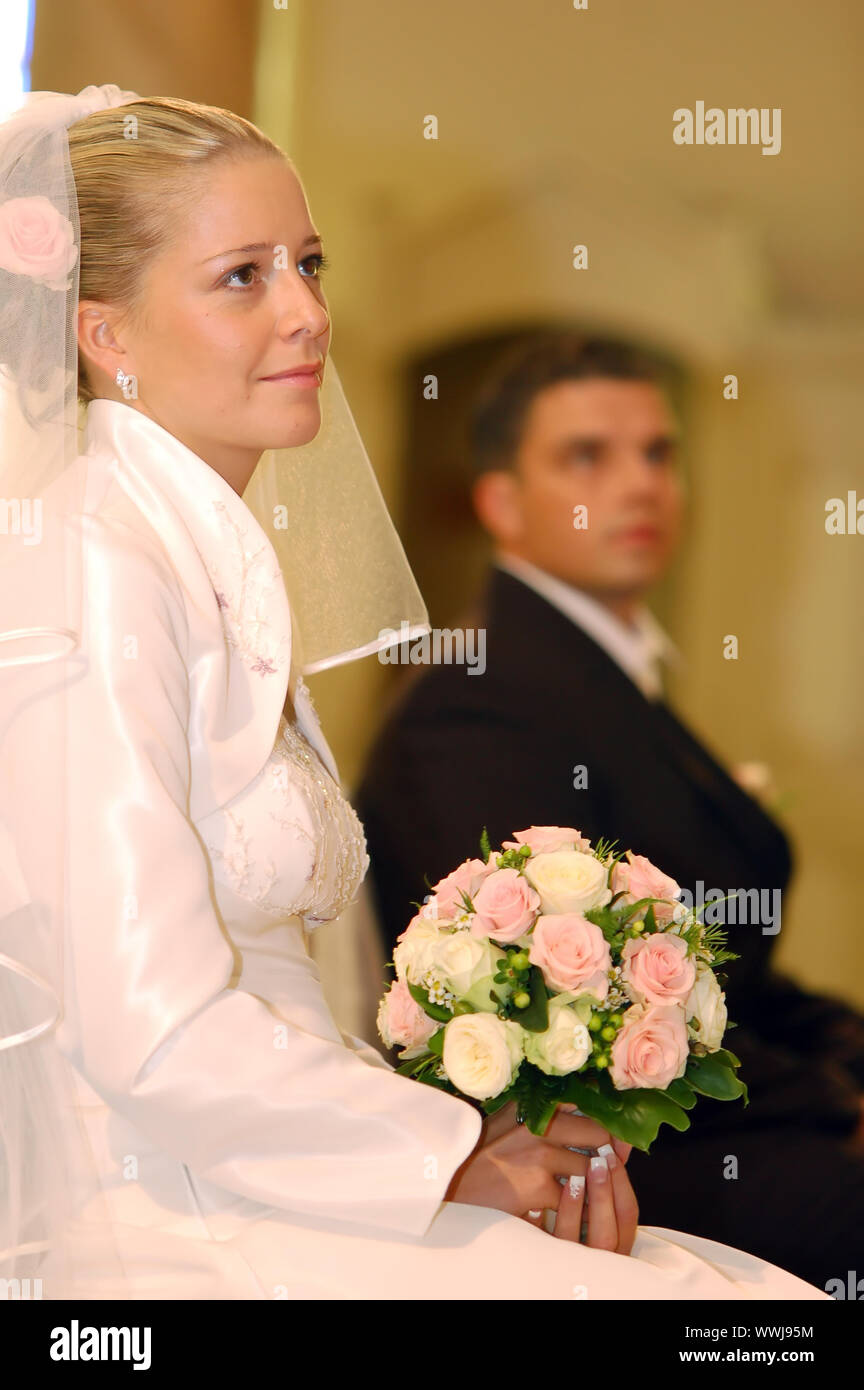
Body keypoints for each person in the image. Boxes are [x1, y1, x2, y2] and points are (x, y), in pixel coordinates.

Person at [0, 86, 826, 1301]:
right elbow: (153, 1033)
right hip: (171, 1210)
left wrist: (493, 1156)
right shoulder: (93, 563)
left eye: (310, 263)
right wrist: (450, 1164)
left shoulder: (205, 557)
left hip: (277, 1173)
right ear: (104, 332)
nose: (308, 313)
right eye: (243, 276)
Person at [355, 334, 864, 1291]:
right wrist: (838, 1103)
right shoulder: (481, 700)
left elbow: (740, 976)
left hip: (741, 1119)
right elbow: (575, 1021)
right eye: (587, 455)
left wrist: (850, 1057)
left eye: (658, 453)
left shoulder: (608, 677)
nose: (638, 485)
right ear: (500, 499)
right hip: (629, 1163)